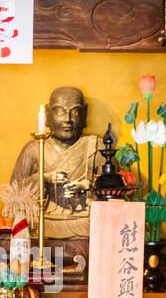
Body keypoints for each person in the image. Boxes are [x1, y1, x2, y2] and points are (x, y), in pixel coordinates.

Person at [9, 86, 100, 239]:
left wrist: (88, 186)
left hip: (83, 221)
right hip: (45, 221)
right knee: (26, 225)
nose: (68, 119)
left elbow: (114, 196)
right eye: (59, 112)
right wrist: (43, 178)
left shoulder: (97, 147)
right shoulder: (35, 148)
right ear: (47, 114)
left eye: (75, 112)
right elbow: (13, 196)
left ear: (85, 113)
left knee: (98, 226)